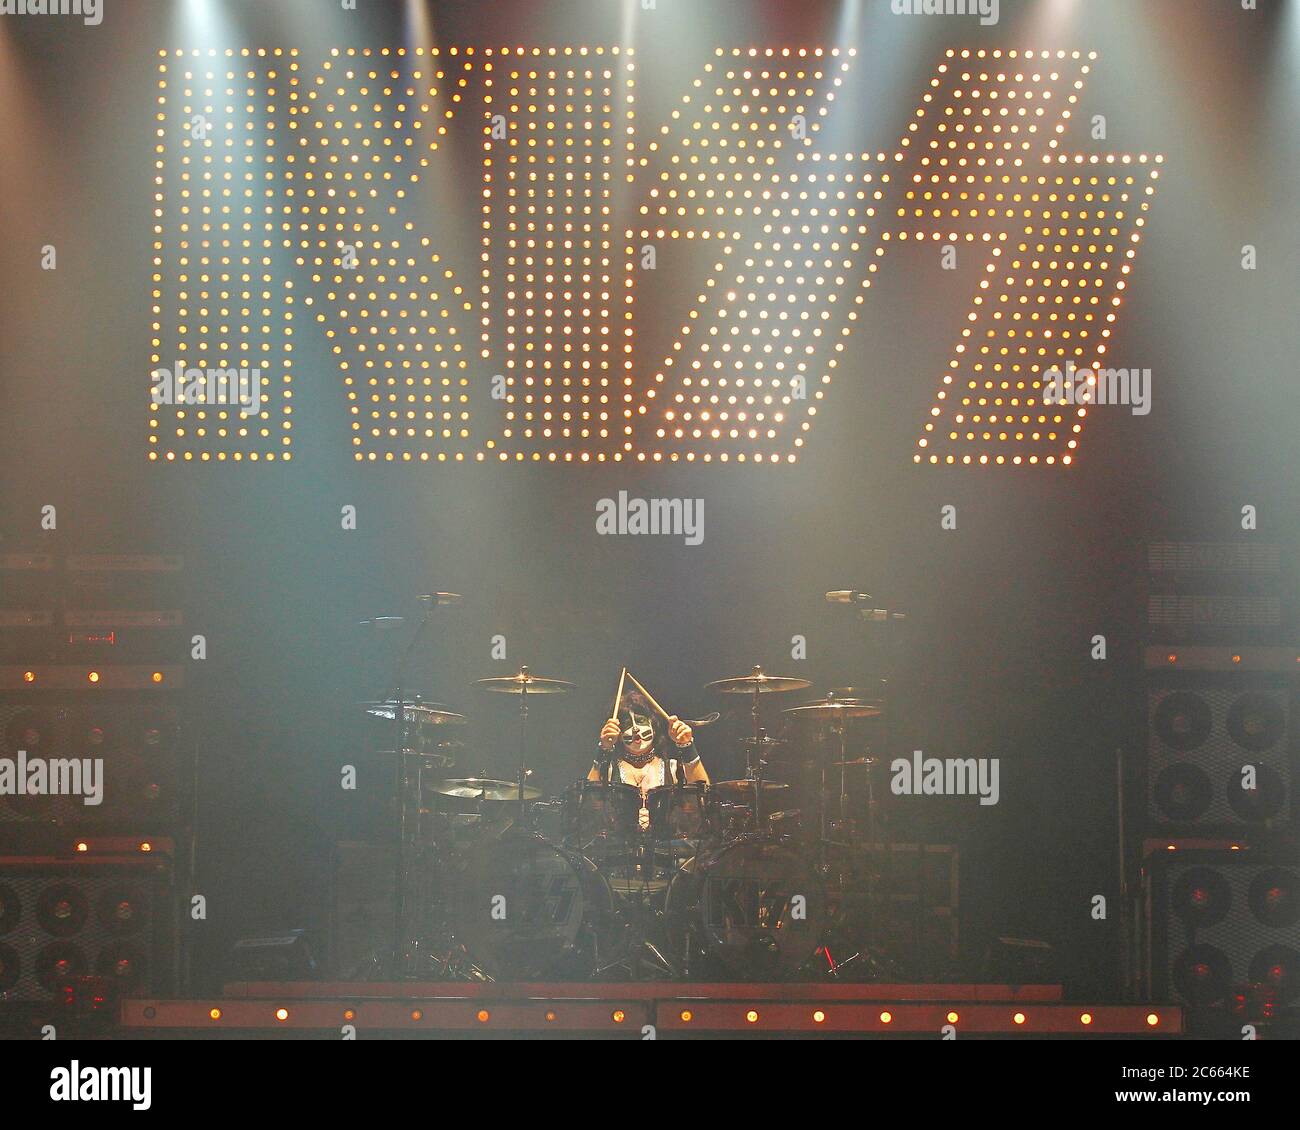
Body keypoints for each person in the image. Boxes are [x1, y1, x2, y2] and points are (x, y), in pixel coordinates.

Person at [587, 691, 709, 829]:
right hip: (620, 848)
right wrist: (603, 749)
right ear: (619, 734)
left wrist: (687, 747)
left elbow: (704, 800)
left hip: (666, 848)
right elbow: (589, 806)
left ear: (654, 726)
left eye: (640, 721)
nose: (635, 729)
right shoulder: (608, 771)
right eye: (627, 724)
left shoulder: (673, 769)